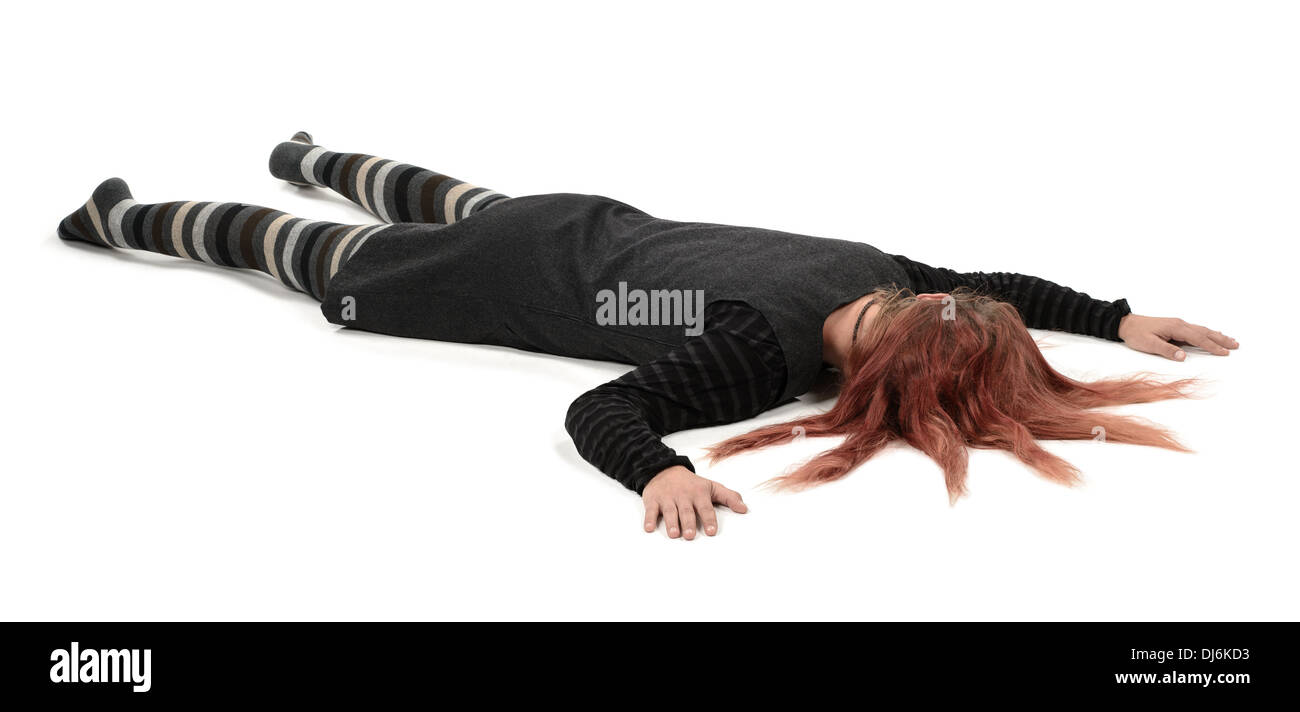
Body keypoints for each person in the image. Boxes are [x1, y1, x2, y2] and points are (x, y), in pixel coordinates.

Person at [57, 132, 1238, 540]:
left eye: (917, 312)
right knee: (342, 211)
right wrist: (1115, 316)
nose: (921, 290)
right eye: (929, 299)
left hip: (514, 247)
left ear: (884, 357)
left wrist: (660, 459)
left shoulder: (791, 320)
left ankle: (179, 195)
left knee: (347, 218)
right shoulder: (826, 307)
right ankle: (237, 179)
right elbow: (992, 277)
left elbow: (598, 409)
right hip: (534, 241)